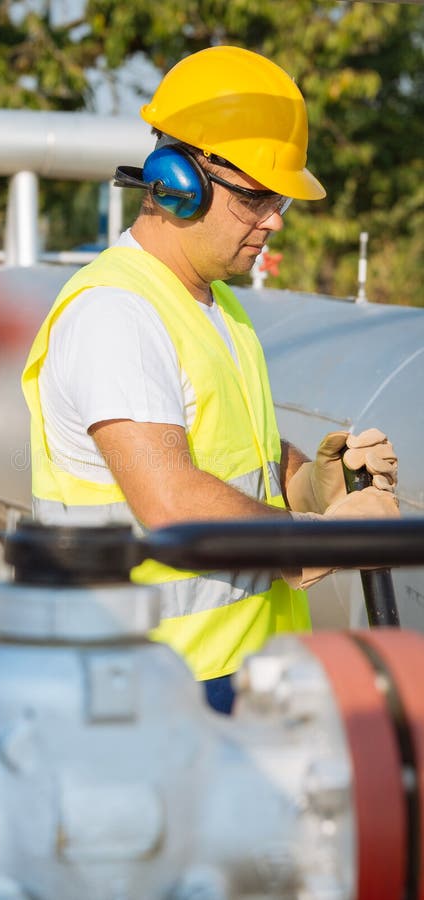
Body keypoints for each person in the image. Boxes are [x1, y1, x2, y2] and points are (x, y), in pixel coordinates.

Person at [22, 46, 399, 713]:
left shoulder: (218, 307)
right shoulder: (117, 314)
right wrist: (333, 536)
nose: (276, 217)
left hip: (233, 680)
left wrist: (317, 483)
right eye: (256, 196)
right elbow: (170, 500)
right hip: (142, 691)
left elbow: (242, 460)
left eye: (279, 198)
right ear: (176, 181)